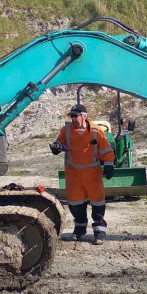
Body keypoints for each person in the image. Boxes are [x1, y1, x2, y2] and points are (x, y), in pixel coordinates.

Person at [50, 103, 116, 244]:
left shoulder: (97, 131)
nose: (73, 118)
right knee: (75, 202)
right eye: (71, 116)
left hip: (92, 173)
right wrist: (56, 147)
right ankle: (80, 229)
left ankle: (99, 232)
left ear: (84, 116)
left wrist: (109, 165)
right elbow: (59, 143)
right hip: (73, 173)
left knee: (97, 202)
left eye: (75, 116)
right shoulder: (66, 130)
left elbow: (106, 150)